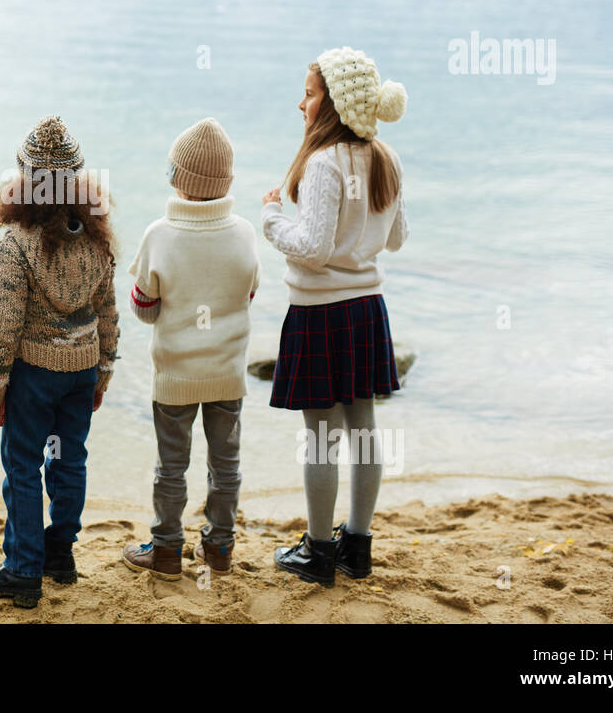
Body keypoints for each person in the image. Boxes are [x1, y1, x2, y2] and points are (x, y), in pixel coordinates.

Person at [262, 47, 408, 588]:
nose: (301, 103)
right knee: (364, 431)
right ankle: (359, 546)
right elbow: (396, 237)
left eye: (310, 93)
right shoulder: (385, 158)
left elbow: (314, 248)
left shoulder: (324, 163)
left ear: (334, 103)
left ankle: (319, 550)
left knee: (321, 435)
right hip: (367, 309)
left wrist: (272, 218)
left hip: (320, 314)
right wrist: (363, 234)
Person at [0, 116, 119, 609]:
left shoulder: (16, 241)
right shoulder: (97, 238)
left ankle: (23, 569)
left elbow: (4, 321)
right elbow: (107, 311)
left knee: (22, 465)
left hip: (33, 374)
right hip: (80, 371)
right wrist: (104, 371)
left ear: (26, 182)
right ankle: (60, 554)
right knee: (68, 459)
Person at [122, 118, 260, 580]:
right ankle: (219, 548)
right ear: (227, 183)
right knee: (226, 464)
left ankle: (165, 551)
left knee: (171, 467)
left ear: (179, 179)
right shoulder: (243, 233)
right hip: (227, 373)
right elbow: (249, 294)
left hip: (176, 375)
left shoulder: (160, 234)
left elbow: (144, 308)